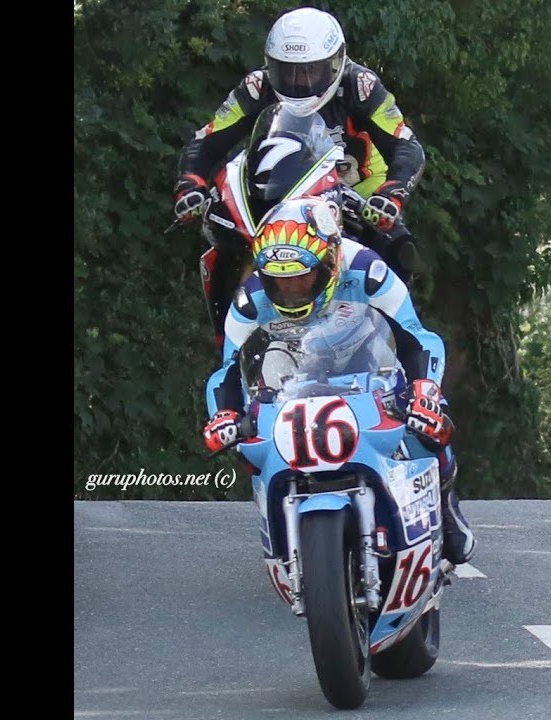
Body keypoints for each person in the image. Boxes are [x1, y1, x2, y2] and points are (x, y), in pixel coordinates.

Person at [200, 197, 474, 566]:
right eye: (278, 280)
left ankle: (445, 502)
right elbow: (228, 370)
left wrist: (424, 389)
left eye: (302, 276)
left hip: (369, 362)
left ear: (330, 261)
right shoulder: (251, 299)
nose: (291, 289)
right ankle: (282, 521)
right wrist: (225, 415)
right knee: (248, 437)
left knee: (429, 418)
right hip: (294, 373)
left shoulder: (368, 270)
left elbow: (417, 339)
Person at [174, 7, 427, 341]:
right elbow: (207, 139)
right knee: (223, 237)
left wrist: (391, 194)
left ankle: (403, 340)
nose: (299, 81)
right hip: (279, 190)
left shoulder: (360, 86)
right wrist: (190, 182)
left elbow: (406, 144)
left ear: (336, 63)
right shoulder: (256, 87)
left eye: (311, 71)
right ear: (270, 65)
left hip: (356, 187)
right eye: (287, 72)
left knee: (397, 246)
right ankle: (227, 341)